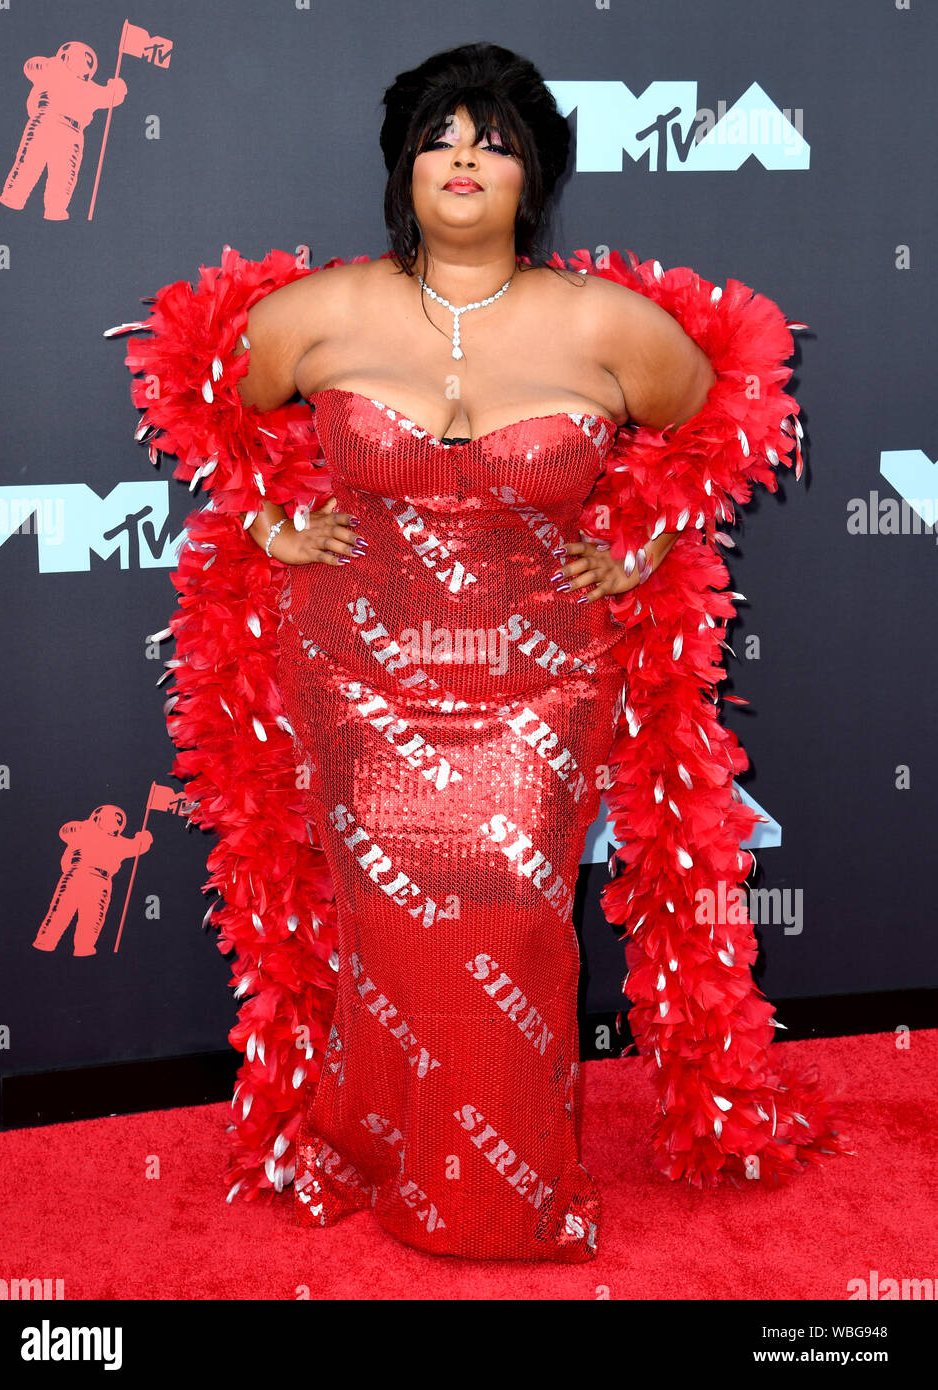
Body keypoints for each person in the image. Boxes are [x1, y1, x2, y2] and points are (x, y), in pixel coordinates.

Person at [109, 42, 852, 1263]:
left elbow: (729, 406)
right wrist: (265, 520)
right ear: (405, 168)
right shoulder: (329, 310)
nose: (465, 157)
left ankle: (504, 1191)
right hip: (356, 673)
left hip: (539, 682)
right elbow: (193, 376)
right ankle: (376, 1145)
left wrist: (643, 540)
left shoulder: (601, 322)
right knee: (383, 928)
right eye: (442, 137)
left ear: (534, 179)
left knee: (512, 924)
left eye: (494, 140)